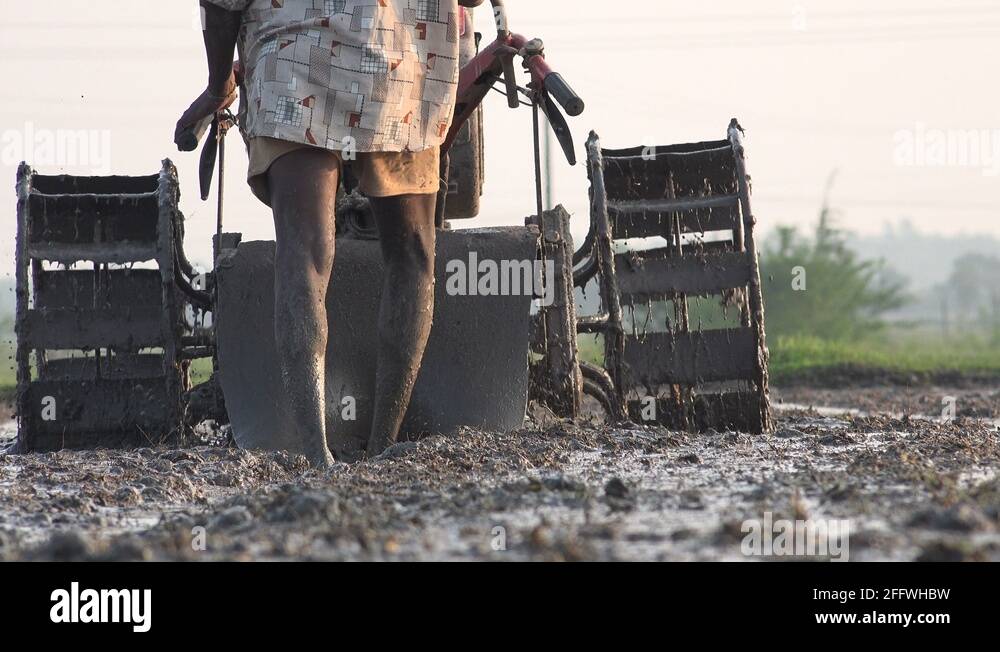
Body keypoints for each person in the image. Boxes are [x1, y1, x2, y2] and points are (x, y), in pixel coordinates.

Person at [175, 0, 483, 467]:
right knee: (412, 256)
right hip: (399, 68)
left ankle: (317, 457)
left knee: (303, 253)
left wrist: (219, 83)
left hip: (294, 59)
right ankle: (383, 447)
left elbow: (221, 3)